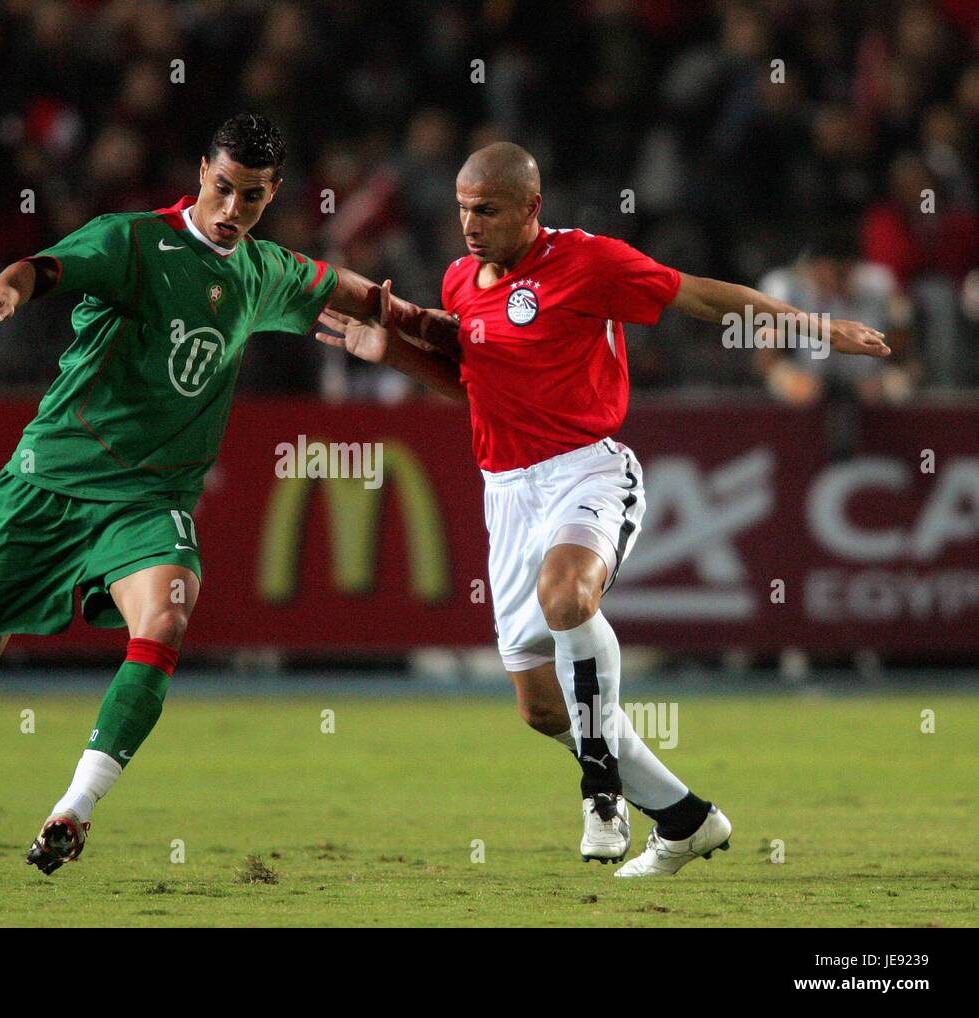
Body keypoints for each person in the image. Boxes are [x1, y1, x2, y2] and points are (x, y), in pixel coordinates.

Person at [317, 142, 890, 877]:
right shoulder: (461, 281)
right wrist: (392, 350)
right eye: (463, 208)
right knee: (540, 708)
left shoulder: (588, 263)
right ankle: (685, 819)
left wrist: (818, 328)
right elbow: (474, 383)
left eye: (486, 209)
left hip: (587, 471)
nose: (469, 224)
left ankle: (601, 792)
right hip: (506, 493)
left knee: (568, 597)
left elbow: (702, 295)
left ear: (530, 206)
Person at [0, 113, 462, 876]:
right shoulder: (132, 241)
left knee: (168, 618)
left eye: (253, 198)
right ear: (201, 171)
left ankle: (72, 811)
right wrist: (1, 297)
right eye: (224, 189)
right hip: (51, 483)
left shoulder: (262, 270)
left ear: (272, 196)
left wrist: (418, 321)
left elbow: (348, 292)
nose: (233, 211)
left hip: (150, 501)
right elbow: (41, 269)